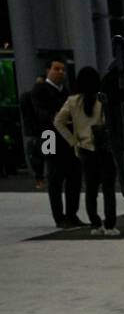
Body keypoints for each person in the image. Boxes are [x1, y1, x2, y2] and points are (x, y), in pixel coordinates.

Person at [53, 66, 119, 235]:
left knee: (90, 189)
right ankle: (110, 225)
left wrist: (72, 140)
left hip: (84, 148)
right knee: (108, 188)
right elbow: (108, 121)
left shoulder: (73, 101)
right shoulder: (102, 99)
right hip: (104, 148)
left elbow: (58, 122)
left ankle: (95, 224)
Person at [30, 57, 85, 227]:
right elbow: (41, 114)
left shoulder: (66, 91)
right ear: (48, 70)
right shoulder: (40, 90)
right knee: (55, 177)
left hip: (67, 137)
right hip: (49, 136)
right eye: (56, 68)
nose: (60, 72)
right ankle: (59, 217)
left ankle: (71, 214)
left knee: (74, 176)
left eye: (62, 69)